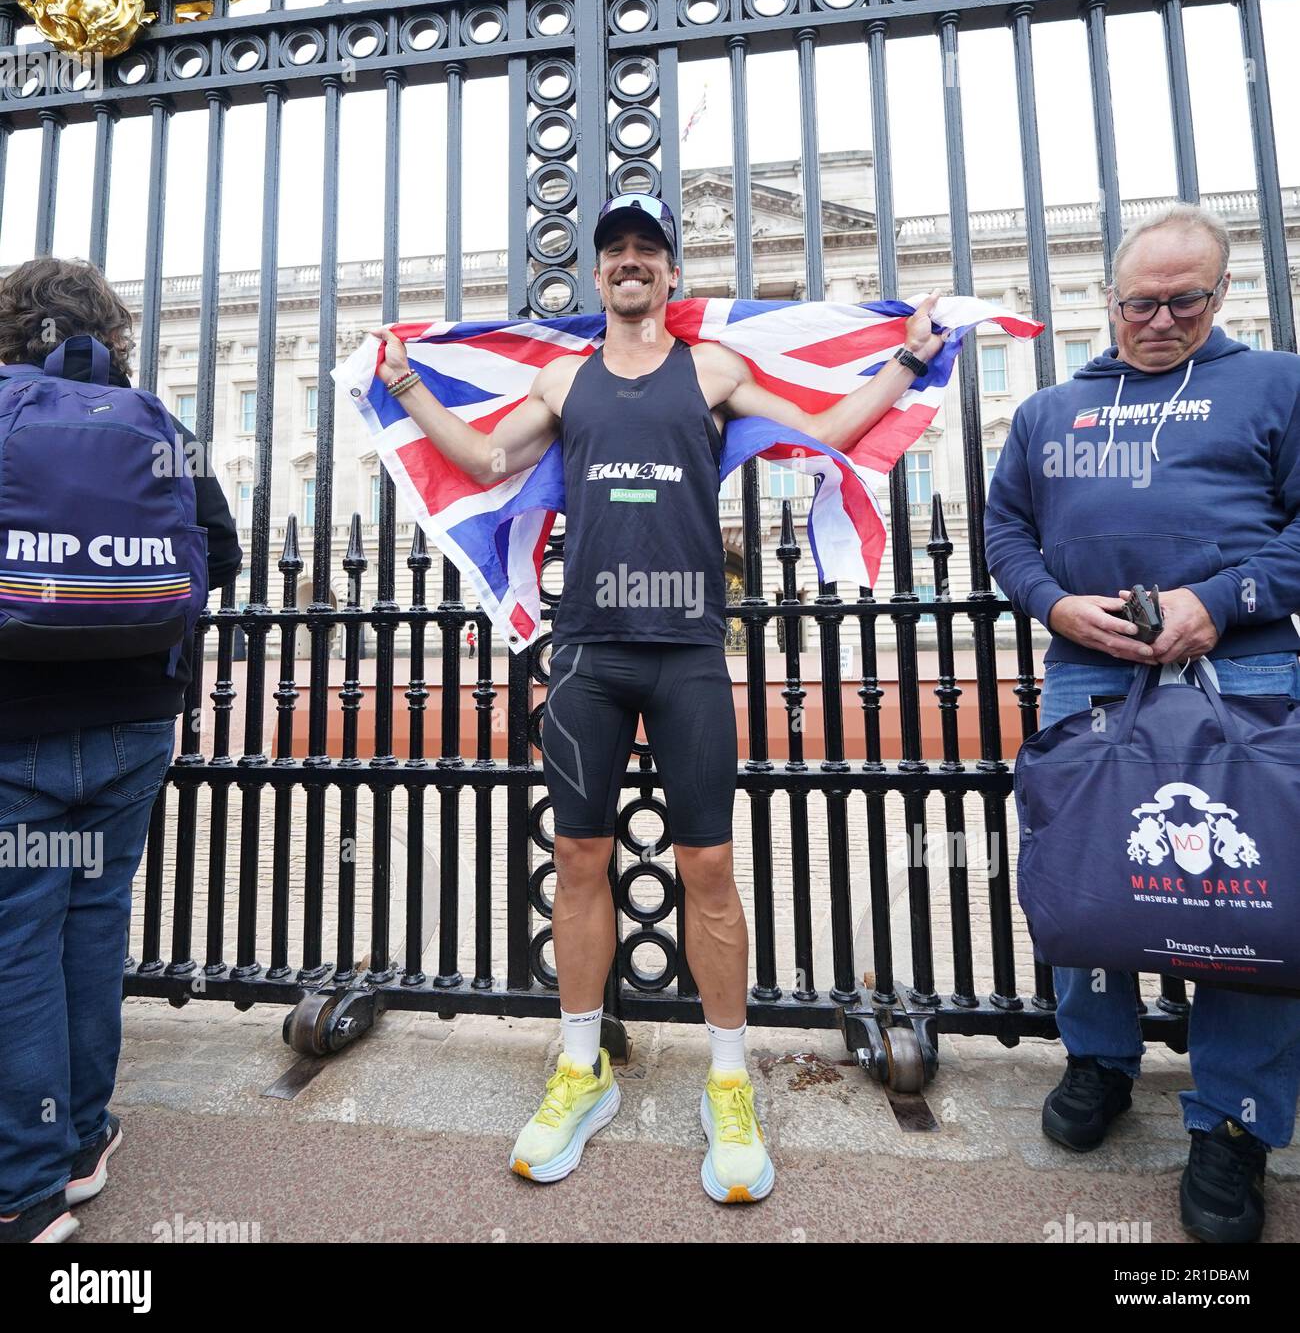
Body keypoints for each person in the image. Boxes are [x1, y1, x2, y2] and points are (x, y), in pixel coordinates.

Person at [371, 194, 945, 1202]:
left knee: (709, 867)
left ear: (672, 275)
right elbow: (483, 458)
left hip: (685, 649)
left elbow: (828, 427)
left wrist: (907, 358)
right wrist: (408, 384)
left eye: (647, 251)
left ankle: (728, 1084)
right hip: (589, 651)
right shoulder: (563, 375)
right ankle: (580, 1068)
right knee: (579, 858)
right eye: (616, 254)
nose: (631, 264)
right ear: (598, 279)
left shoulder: (712, 370)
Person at [985, 203, 1300, 1243]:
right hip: (1087, 676)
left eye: (1184, 300)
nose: (1158, 319)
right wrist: (1049, 601)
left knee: (1246, 892)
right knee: (1086, 879)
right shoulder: (1047, 412)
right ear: (1108, 299)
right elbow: (1005, 530)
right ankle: (1098, 1058)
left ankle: (1232, 1123)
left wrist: (1225, 598)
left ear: (1221, 294)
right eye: (1138, 302)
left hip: (1244, 670)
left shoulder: (1274, 386)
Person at [0, 258, 242, 1243]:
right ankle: (85, 1138)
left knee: (19, 937)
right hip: (137, 722)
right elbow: (218, 552)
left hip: (14, 728)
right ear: (111, 330)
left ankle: (25, 1188)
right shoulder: (157, 424)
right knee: (92, 924)